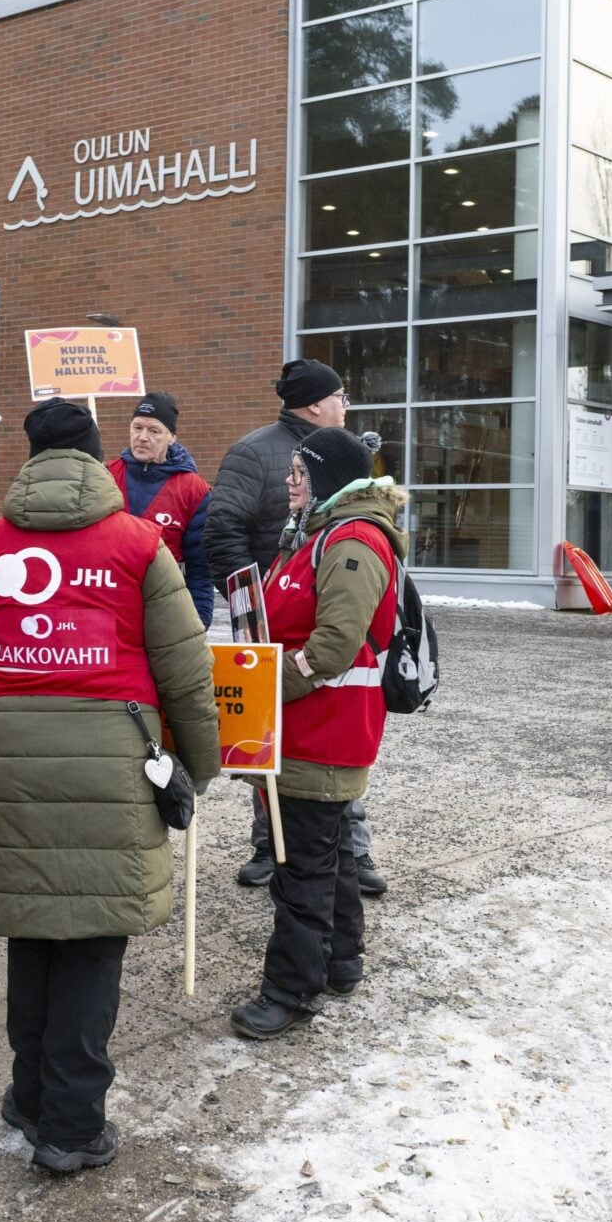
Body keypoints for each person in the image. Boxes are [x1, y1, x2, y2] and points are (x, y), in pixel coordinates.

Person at [0, 400, 220, 1174]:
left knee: (31, 930)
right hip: (113, 762)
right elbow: (187, 672)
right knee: (93, 941)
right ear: (98, 459)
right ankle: (71, 1125)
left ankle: (30, 1095)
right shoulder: (136, 544)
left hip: (10, 758)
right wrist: (197, 762)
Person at [230, 427, 406, 1041]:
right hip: (309, 729)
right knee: (324, 851)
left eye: (299, 474)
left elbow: (333, 646)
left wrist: (264, 681)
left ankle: (290, 990)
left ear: (329, 480)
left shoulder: (351, 541)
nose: (289, 482)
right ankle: (340, 961)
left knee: (298, 863)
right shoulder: (315, 535)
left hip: (323, 732)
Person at [205, 359, 385, 898]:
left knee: (333, 735)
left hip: (328, 619)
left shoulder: (341, 453)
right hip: (271, 621)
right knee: (270, 740)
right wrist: (252, 604)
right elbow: (221, 532)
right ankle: (269, 843)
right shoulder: (253, 452)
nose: (346, 405)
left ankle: (351, 849)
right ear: (314, 403)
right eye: (341, 395)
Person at [107, 390, 214, 627]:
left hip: (163, 613)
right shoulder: (105, 477)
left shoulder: (194, 491)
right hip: (108, 607)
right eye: (137, 428)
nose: (143, 437)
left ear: (171, 437)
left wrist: (198, 625)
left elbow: (200, 571)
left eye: (153, 431)